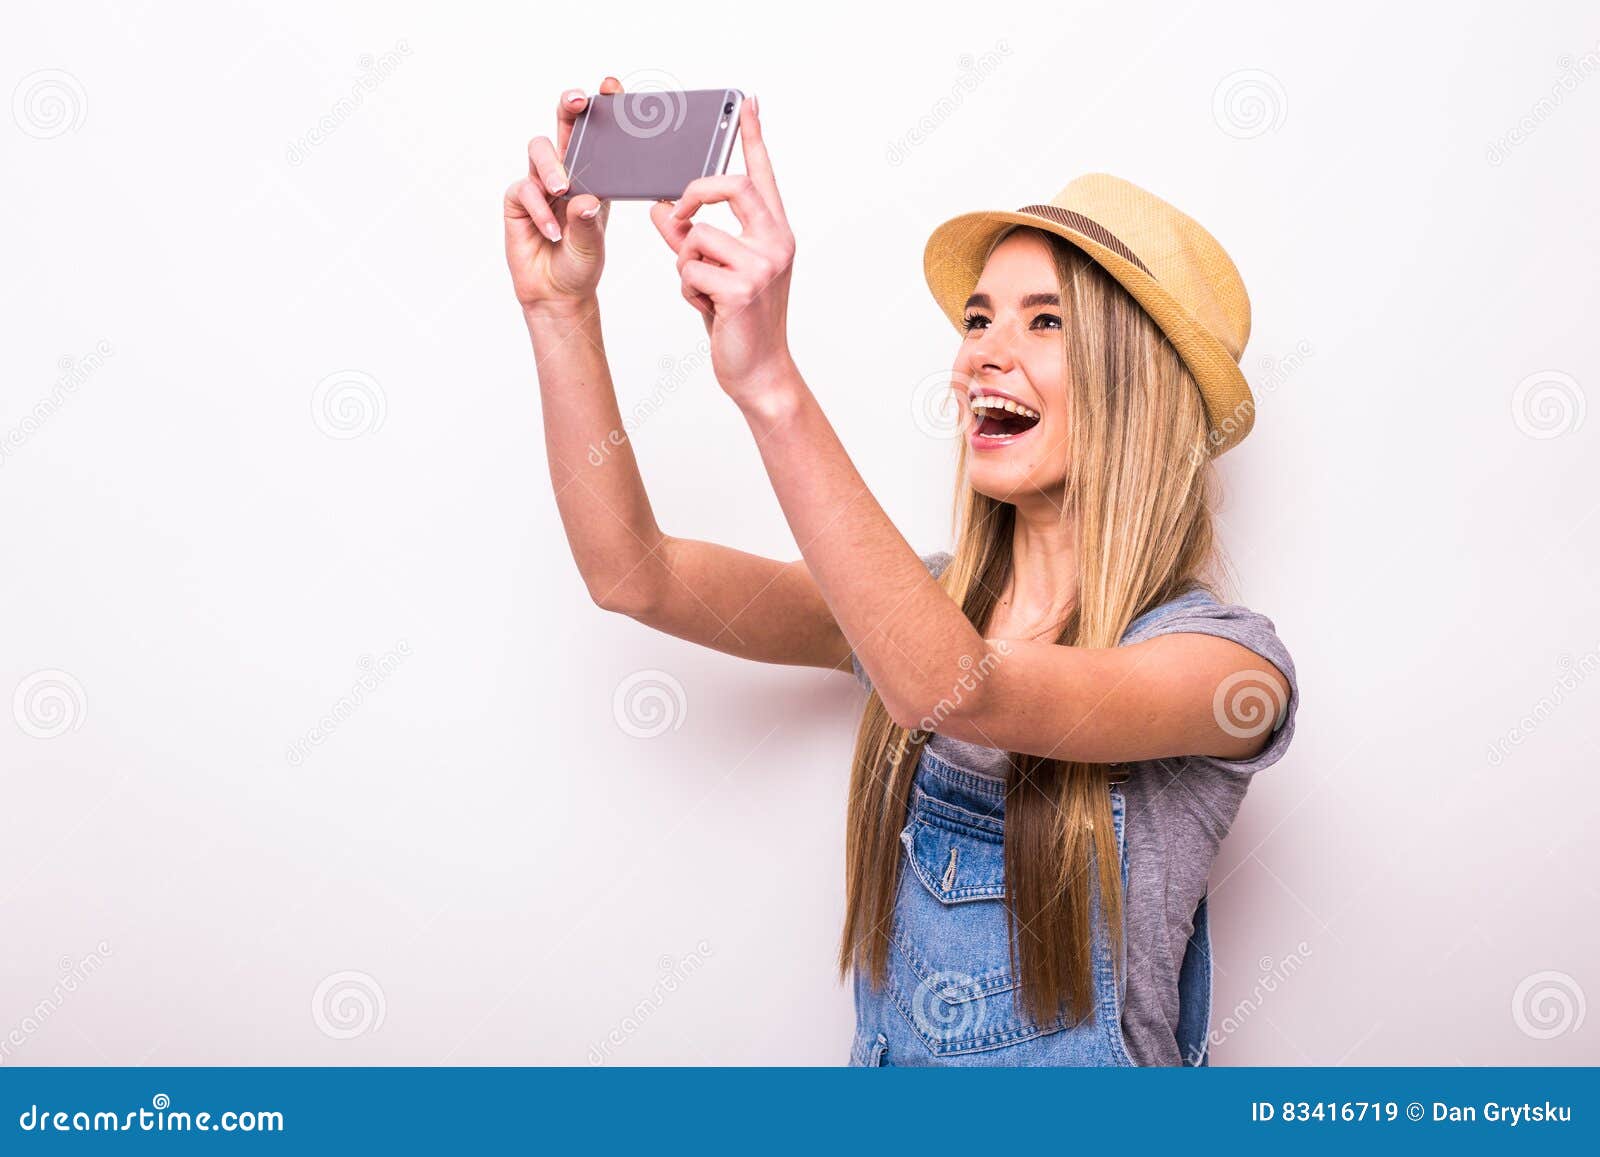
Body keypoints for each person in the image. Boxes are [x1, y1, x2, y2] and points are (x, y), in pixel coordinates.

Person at [505, 76, 1299, 1066]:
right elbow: (634, 572)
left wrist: (766, 382)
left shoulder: (1227, 671)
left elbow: (954, 685)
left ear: (1136, 379)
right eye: (977, 320)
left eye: (1044, 322)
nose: (978, 358)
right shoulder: (909, 604)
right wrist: (559, 308)